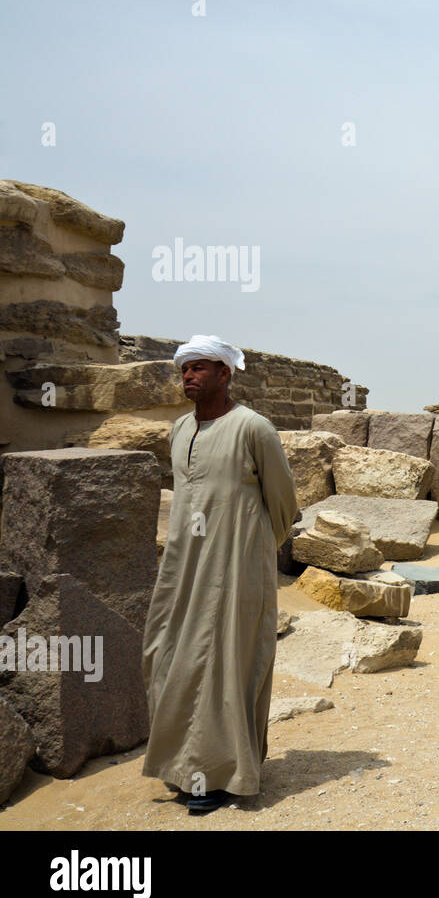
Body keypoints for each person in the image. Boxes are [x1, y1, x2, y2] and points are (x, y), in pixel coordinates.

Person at [141, 335, 297, 814]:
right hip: (182, 568)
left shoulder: (254, 428)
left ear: (225, 374)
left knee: (224, 664)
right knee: (163, 651)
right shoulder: (178, 430)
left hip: (236, 571)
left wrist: (247, 554)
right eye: (184, 368)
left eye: (199, 368)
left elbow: (284, 505)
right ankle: (181, 764)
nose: (188, 376)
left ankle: (219, 774)